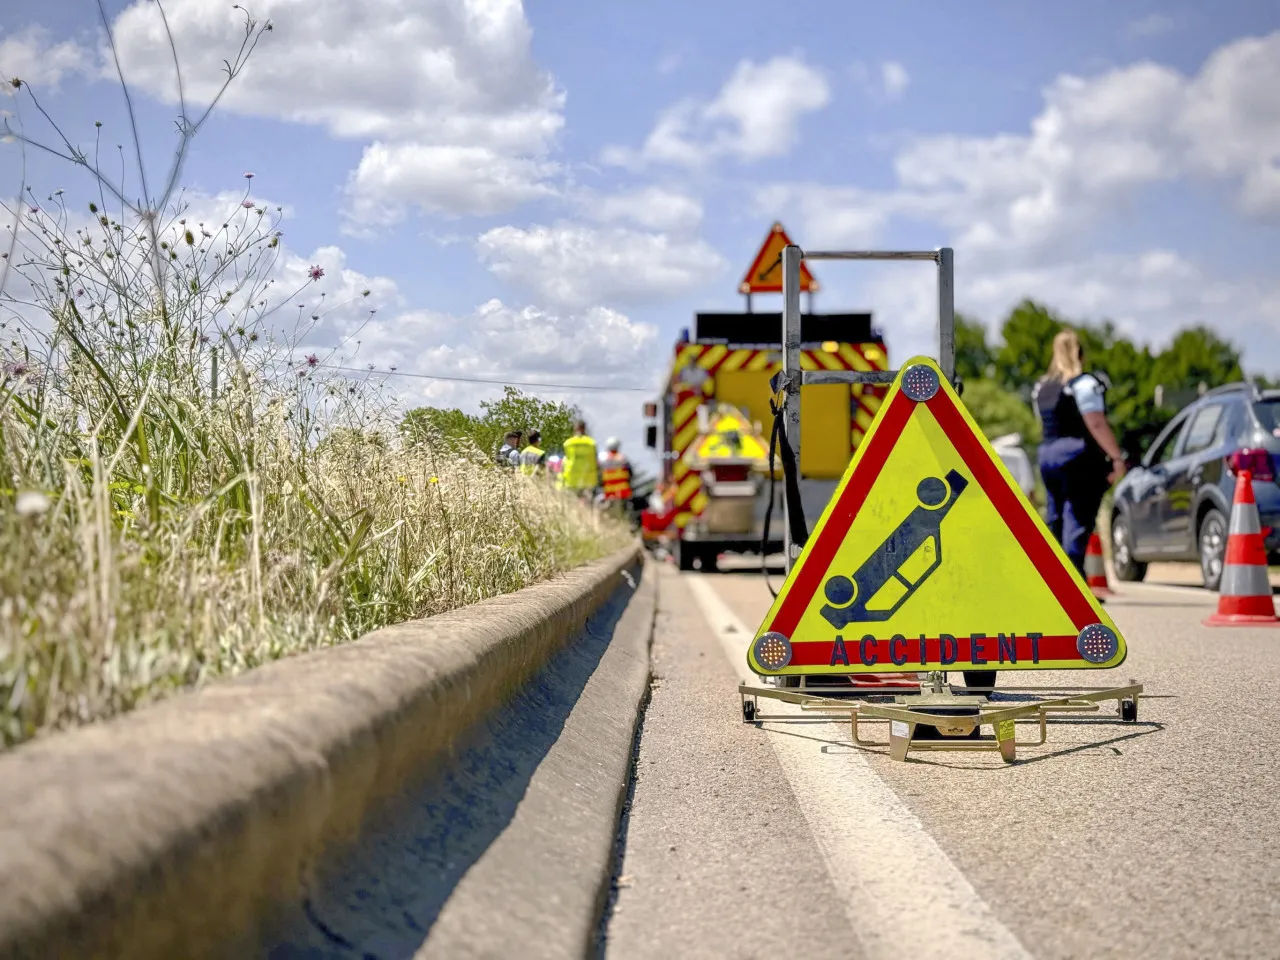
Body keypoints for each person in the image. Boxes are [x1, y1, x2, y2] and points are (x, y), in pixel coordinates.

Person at [1032, 329, 1128, 579]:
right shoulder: (1085, 384)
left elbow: (1043, 424)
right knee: (1077, 518)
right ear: (1080, 354)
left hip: (1047, 456)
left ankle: (1052, 580)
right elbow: (1095, 423)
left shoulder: (1041, 387)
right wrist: (1117, 458)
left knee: (1055, 519)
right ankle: (1073, 581)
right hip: (1077, 458)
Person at [560, 420, 599, 498]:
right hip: (588, 479)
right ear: (584, 429)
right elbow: (595, 459)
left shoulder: (568, 443)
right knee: (588, 504)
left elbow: (565, 460)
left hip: (571, 478)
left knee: (573, 503)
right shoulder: (591, 443)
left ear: (575, 429)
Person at [599, 437, 633, 502]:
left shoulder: (603, 460)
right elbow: (630, 474)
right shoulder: (623, 459)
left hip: (608, 493)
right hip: (623, 493)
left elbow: (600, 476)